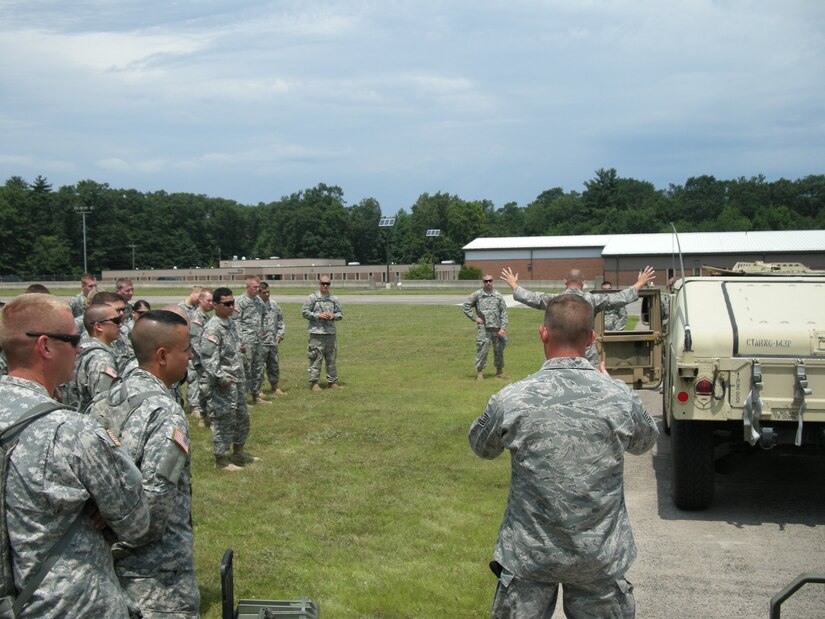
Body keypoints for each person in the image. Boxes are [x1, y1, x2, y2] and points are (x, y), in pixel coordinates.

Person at [468, 295, 659, 618]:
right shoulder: (618, 398)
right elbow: (644, 442)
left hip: (531, 556)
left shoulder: (512, 398)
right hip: (597, 556)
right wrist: (616, 389)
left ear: (543, 333)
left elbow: (481, 447)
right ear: (590, 339)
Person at [0, 293, 149, 617]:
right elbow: (136, 522)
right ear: (45, 346)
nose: (80, 348)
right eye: (72, 339)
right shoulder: (72, 432)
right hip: (70, 603)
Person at [112, 310, 200, 617]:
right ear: (162, 355)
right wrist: (123, 544)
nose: (191, 356)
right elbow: (155, 504)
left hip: (110, 567)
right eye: (187, 348)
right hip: (159, 575)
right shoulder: (166, 414)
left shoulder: (107, 399)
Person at [500, 266, 655, 365]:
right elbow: (619, 298)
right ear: (583, 282)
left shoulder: (553, 300)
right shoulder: (592, 300)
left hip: (557, 354)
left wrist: (514, 284)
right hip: (585, 355)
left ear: (564, 281)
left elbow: (530, 297)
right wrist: (639, 283)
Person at [199, 287, 258, 471]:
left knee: (242, 417)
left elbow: (235, 348)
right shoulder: (213, 328)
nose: (232, 307)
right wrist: (222, 379)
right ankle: (222, 460)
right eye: (227, 304)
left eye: (233, 303)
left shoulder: (231, 323)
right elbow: (209, 358)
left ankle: (238, 452)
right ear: (215, 305)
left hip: (238, 380)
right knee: (224, 420)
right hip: (224, 384)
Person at [66, 303, 122, 411]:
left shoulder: (81, 349)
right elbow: (105, 407)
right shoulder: (101, 359)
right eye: (116, 321)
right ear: (98, 326)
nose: (120, 324)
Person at [463, 274, 509, 381]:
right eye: (486, 281)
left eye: (490, 281)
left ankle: (499, 372)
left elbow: (504, 312)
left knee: (499, 350)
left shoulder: (498, 296)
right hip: (484, 328)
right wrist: (475, 318)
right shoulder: (477, 295)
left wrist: (503, 328)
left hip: (497, 328)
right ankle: (479, 373)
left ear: (493, 282)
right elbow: (466, 306)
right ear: (483, 282)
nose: (488, 283)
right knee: (482, 350)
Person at [301, 276, 343, 391]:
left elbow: (340, 313)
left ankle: (332, 381)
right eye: (323, 283)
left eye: (327, 284)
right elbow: (304, 312)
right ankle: (314, 382)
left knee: (331, 358)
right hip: (316, 333)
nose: (325, 286)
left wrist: (334, 316)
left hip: (330, 333)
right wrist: (318, 315)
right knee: (316, 357)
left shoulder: (334, 299)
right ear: (319, 284)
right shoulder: (312, 298)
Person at [235, 276, 269, 405]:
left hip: (257, 340)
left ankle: (256, 395)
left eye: (258, 287)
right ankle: (243, 400)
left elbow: (265, 315)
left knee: (258, 368)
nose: (257, 289)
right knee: (245, 370)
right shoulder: (240, 302)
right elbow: (235, 321)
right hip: (246, 342)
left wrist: (262, 328)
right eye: (254, 287)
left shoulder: (258, 301)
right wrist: (241, 341)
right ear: (247, 287)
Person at [188, 288, 213, 423]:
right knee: (204, 387)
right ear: (200, 300)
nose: (211, 303)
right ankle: (203, 416)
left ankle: (205, 415)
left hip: (206, 359)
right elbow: (195, 341)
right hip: (201, 360)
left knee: (206, 386)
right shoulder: (197, 318)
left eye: (212, 301)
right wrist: (207, 358)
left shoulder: (205, 317)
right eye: (208, 301)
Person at [259, 281, 286, 395]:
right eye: (264, 292)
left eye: (268, 292)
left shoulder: (274, 305)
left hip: (272, 341)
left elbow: (280, 321)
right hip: (260, 342)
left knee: (274, 365)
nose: (267, 294)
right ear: (258, 293)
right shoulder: (255, 306)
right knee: (259, 367)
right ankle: (258, 389)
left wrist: (280, 334)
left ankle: (274, 387)